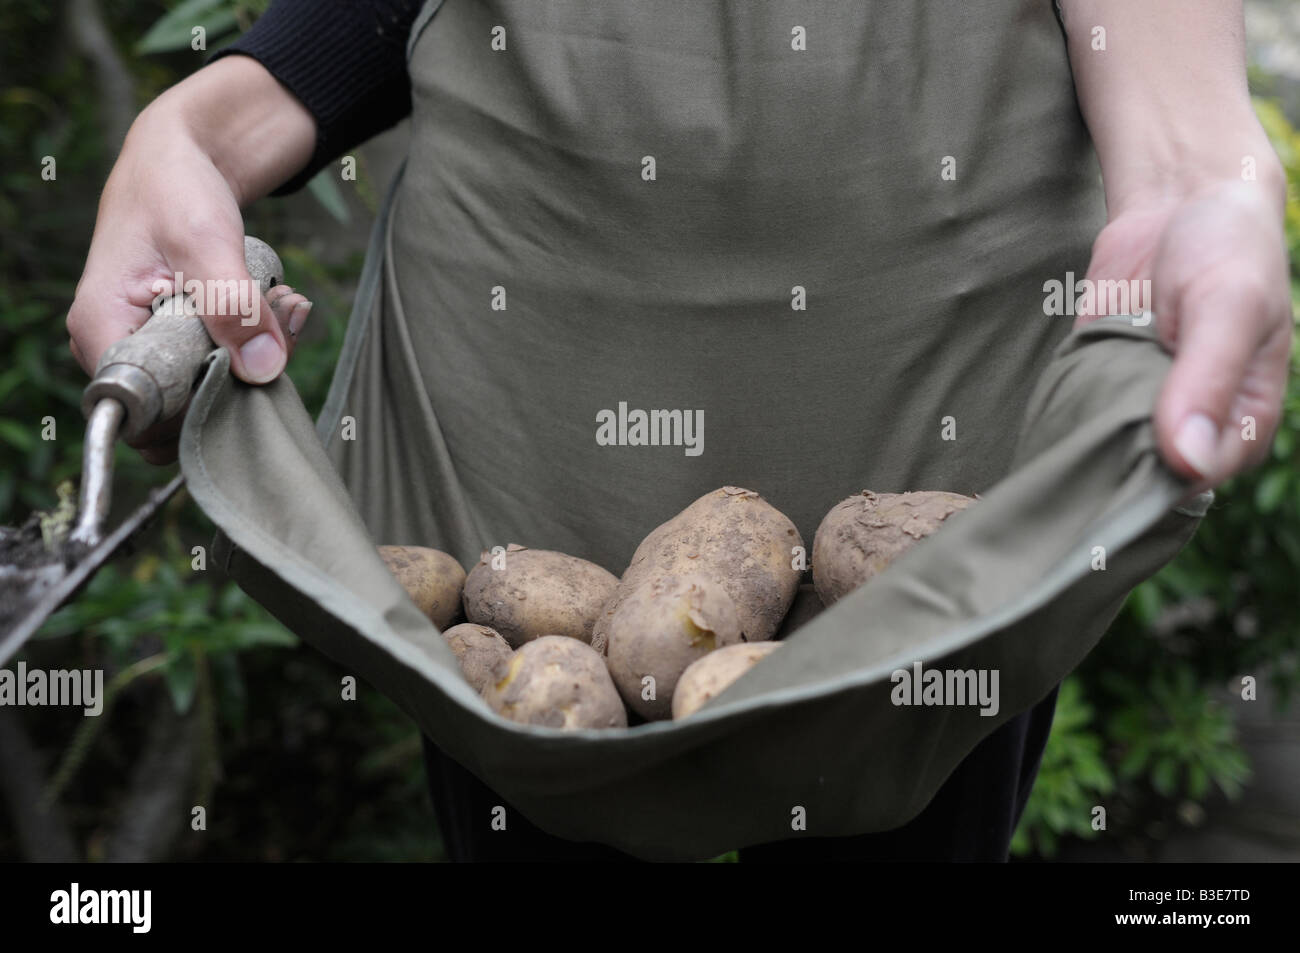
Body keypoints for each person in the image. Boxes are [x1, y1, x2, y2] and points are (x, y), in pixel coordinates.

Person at [66, 0, 1291, 861]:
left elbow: (1176, 117)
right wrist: (189, 133)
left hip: (949, 500)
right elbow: (360, 24)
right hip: (505, 459)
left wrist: (1211, 192)